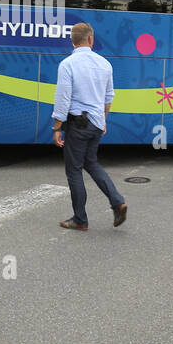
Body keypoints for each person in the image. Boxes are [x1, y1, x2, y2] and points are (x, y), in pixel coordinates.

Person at [52, 22, 127, 231]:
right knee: (91, 163)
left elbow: (63, 99)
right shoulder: (105, 63)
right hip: (95, 123)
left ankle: (80, 219)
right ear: (91, 39)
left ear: (73, 41)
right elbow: (108, 96)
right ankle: (117, 201)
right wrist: (103, 120)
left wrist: (56, 127)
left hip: (78, 124)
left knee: (74, 170)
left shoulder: (68, 64)